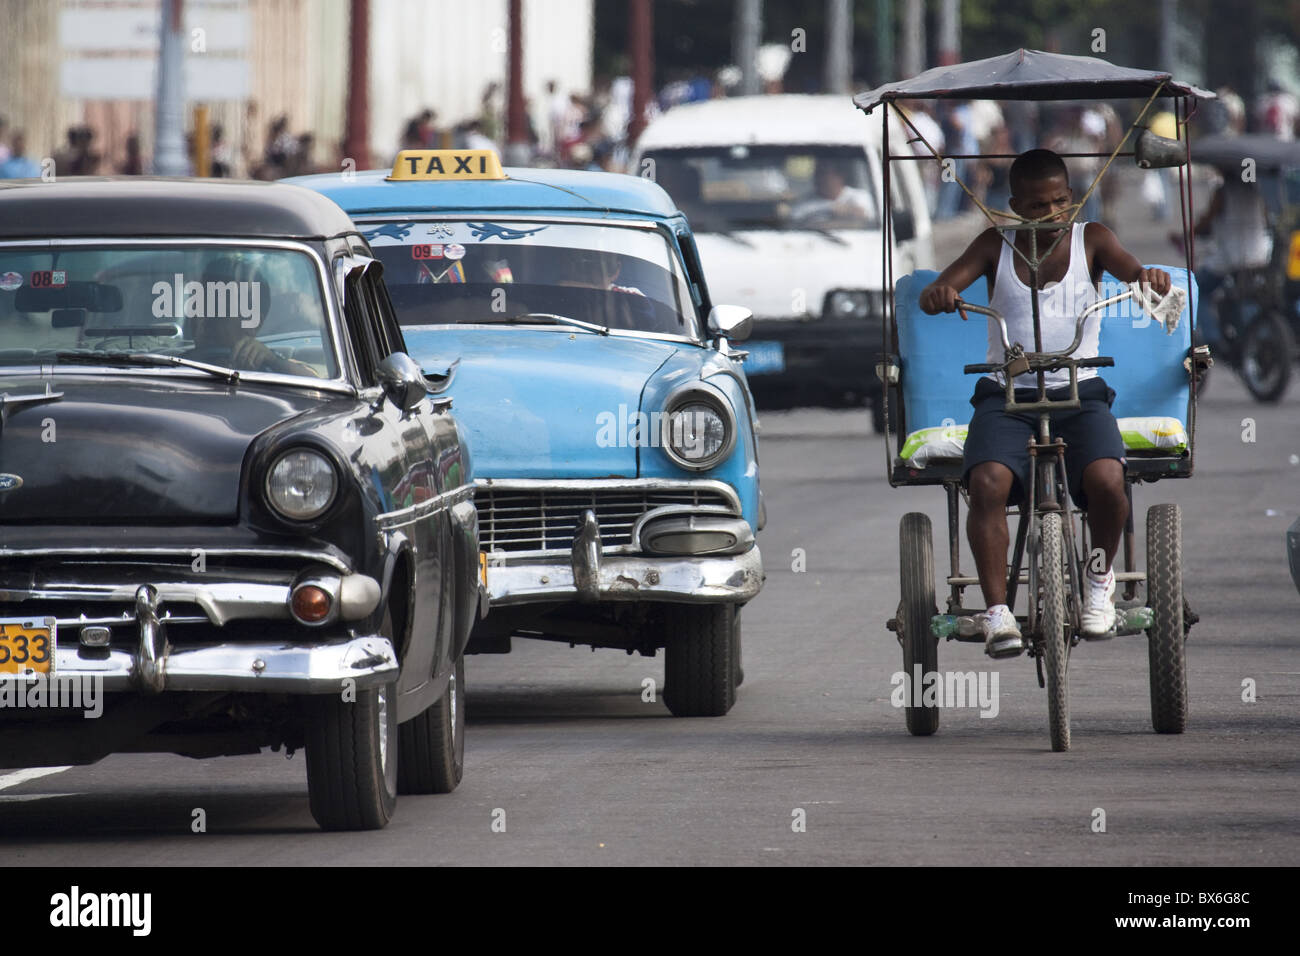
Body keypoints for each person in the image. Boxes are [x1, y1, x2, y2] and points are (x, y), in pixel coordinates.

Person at [919, 148, 1171, 657]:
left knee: (1107, 481)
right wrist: (941, 293)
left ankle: (1098, 584)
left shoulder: (1092, 239)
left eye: (1060, 203)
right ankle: (997, 614)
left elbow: (1134, 272)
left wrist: (1150, 278)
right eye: (1037, 207)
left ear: (1072, 200)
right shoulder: (995, 244)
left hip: (1081, 391)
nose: (1051, 215)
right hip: (1007, 395)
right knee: (987, 482)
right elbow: (942, 286)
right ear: (1015, 205)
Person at [789, 158, 875, 224]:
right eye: (817, 174)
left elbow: (867, 215)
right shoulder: (806, 201)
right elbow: (793, 218)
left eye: (824, 173)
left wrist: (846, 211)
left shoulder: (859, 196)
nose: (819, 178)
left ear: (840, 176)